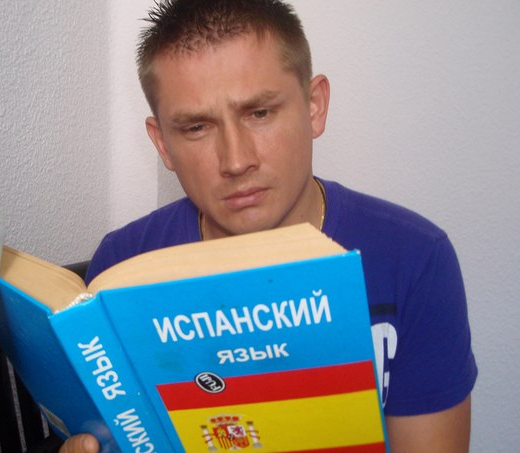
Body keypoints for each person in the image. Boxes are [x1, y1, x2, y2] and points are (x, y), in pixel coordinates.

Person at [60, 0, 477, 451]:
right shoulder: (121, 264)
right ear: (163, 144)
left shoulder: (413, 259)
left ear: (314, 107)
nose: (236, 160)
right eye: (197, 127)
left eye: (259, 113)